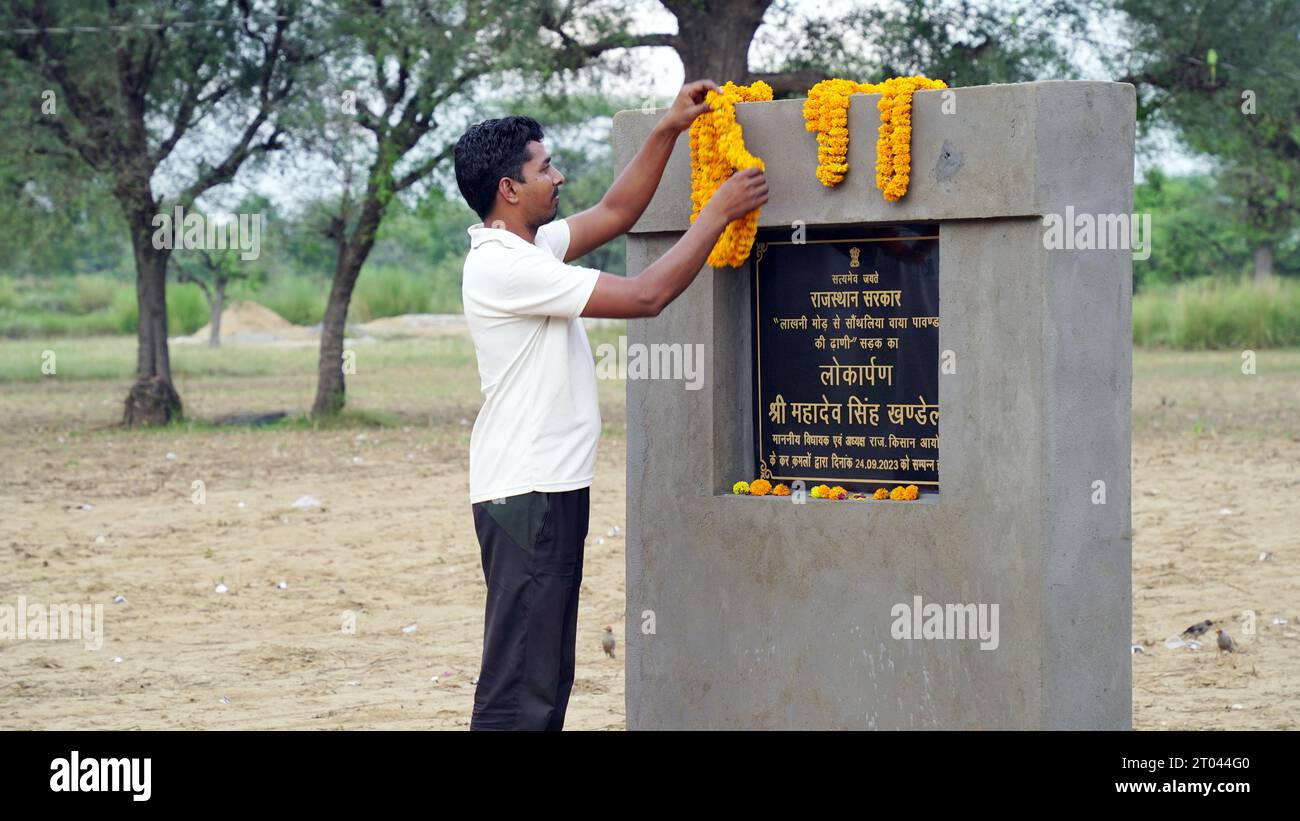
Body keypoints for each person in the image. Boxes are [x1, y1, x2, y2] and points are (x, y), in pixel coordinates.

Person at [452, 79, 769, 730]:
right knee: (520, 684)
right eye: (545, 167)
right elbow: (648, 295)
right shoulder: (502, 265)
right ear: (509, 189)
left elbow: (618, 211)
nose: (558, 176)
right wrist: (716, 211)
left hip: (550, 487)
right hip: (528, 492)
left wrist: (667, 127)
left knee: (544, 674)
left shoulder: (528, 247)